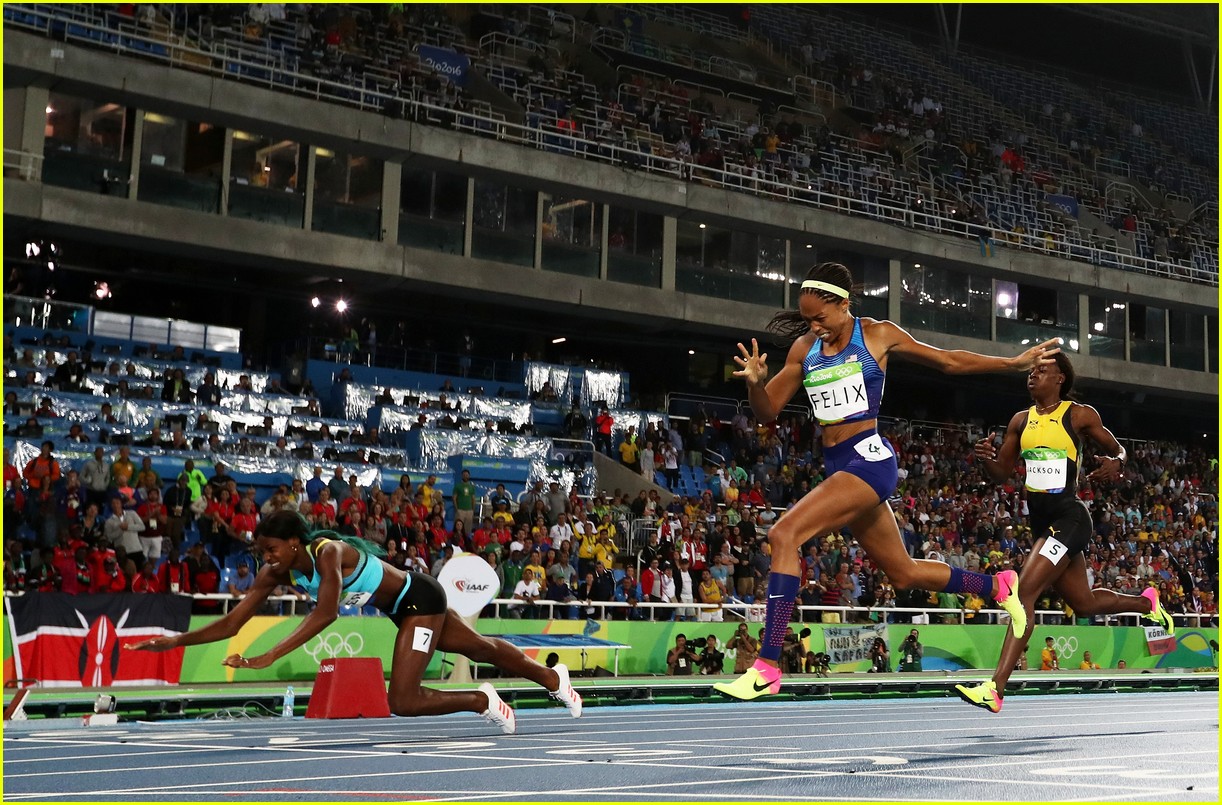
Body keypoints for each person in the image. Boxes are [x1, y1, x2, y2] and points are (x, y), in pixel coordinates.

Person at [715, 262, 1058, 700]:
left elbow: (949, 362)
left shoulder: (876, 334)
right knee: (904, 572)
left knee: (784, 534)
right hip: (839, 467)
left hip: (869, 461)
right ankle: (997, 585)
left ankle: (766, 666)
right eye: (807, 320)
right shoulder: (805, 349)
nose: (814, 326)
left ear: (844, 304)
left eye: (821, 317)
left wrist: (1012, 362)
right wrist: (756, 385)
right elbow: (767, 412)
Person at [128, 510, 581, 733]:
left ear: (293, 542)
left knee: (401, 699)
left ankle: (481, 701)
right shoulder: (274, 573)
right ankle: (553, 678)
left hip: (419, 598)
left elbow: (326, 613)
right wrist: (172, 642)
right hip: (402, 608)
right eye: (262, 553)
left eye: (271, 550)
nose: (265, 559)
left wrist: (269, 655)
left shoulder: (327, 553)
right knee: (480, 648)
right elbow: (231, 624)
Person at [954, 354, 1175, 713]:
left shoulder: (1078, 414)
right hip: (1042, 525)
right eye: (1030, 371)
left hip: (1071, 518)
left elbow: (1117, 448)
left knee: (1023, 591)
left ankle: (995, 688)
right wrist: (984, 457)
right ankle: (1146, 602)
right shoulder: (1019, 421)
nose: (1033, 375)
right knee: (1084, 604)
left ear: (1060, 378)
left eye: (1041, 371)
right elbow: (1001, 472)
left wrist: (1115, 462)